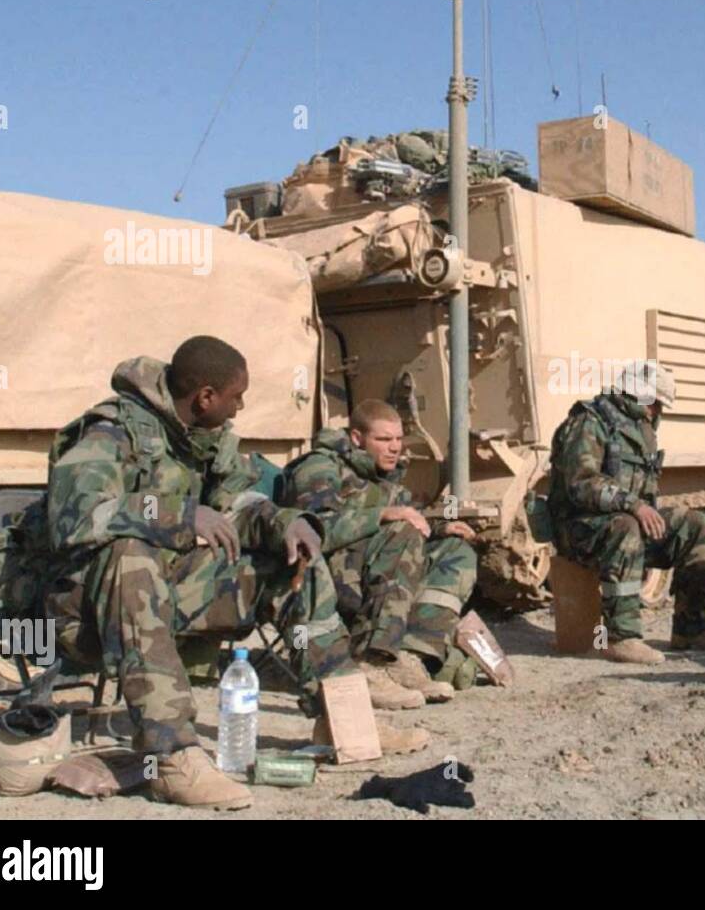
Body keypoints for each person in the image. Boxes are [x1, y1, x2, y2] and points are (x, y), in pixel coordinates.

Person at [43, 337, 425, 809]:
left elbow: (237, 500)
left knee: (291, 566)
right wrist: (180, 515)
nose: (239, 408)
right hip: (89, 603)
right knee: (130, 553)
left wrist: (285, 523)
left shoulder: (206, 438)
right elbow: (74, 516)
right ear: (204, 397)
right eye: (236, 397)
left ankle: (340, 716)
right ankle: (170, 757)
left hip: (168, 586)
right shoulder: (112, 431)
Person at [283, 400, 481, 702]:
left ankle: (409, 657)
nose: (395, 448)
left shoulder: (383, 477)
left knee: (455, 550)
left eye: (399, 439)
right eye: (384, 439)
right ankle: (371, 662)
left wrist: (439, 529)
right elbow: (311, 529)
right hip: (321, 576)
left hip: (371, 570)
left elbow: (402, 519)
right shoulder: (321, 466)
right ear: (357, 438)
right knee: (401, 531)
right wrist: (383, 515)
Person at [548, 361, 705, 665]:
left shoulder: (640, 427)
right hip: (579, 529)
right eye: (656, 403)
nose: (658, 411)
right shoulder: (589, 422)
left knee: (696, 526)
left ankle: (690, 627)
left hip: (621, 523)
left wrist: (641, 509)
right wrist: (634, 505)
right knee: (626, 526)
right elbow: (581, 484)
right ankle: (621, 638)